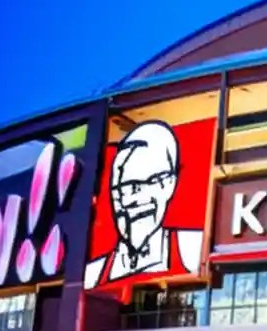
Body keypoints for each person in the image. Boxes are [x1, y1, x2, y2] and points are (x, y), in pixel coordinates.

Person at [84, 121, 203, 290]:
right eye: (118, 191)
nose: (125, 202)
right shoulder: (91, 275)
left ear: (167, 184)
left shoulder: (193, 250)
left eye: (136, 187)